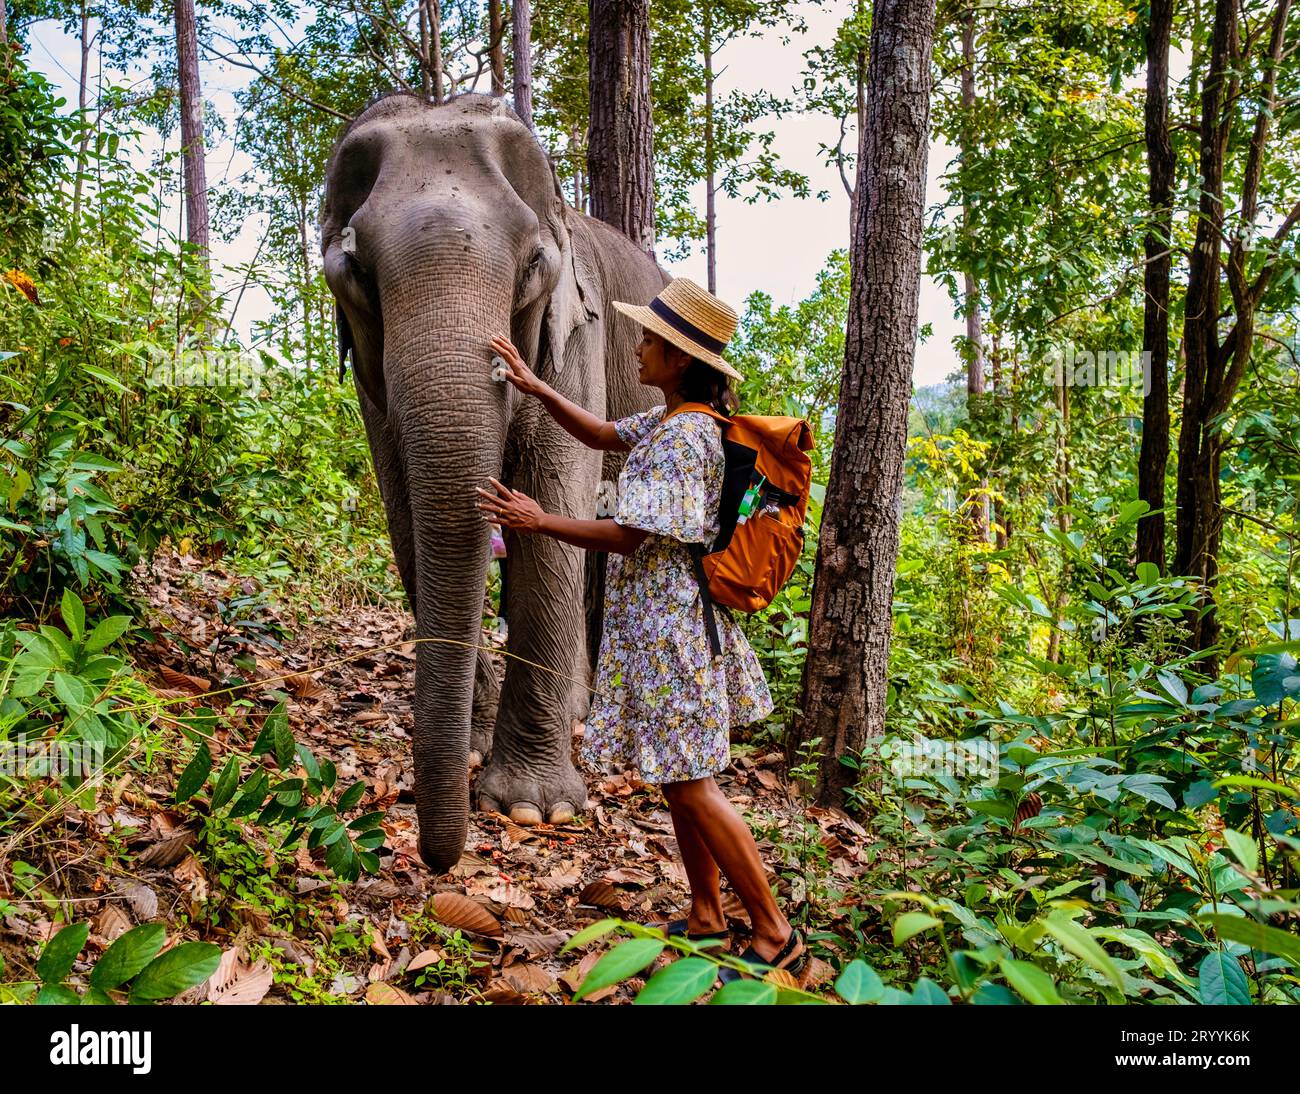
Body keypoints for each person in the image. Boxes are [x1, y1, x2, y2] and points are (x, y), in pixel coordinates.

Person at [474, 277, 806, 982]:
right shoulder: (666, 422)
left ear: (682, 359)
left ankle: (776, 931)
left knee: (694, 785)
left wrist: (539, 521)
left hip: (675, 633)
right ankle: (709, 914)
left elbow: (629, 535)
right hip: (658, 632)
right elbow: (599, 433)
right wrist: (536, 388)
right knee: (679, 780)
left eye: (651, 340)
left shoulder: (687, 439)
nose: (639, 347)